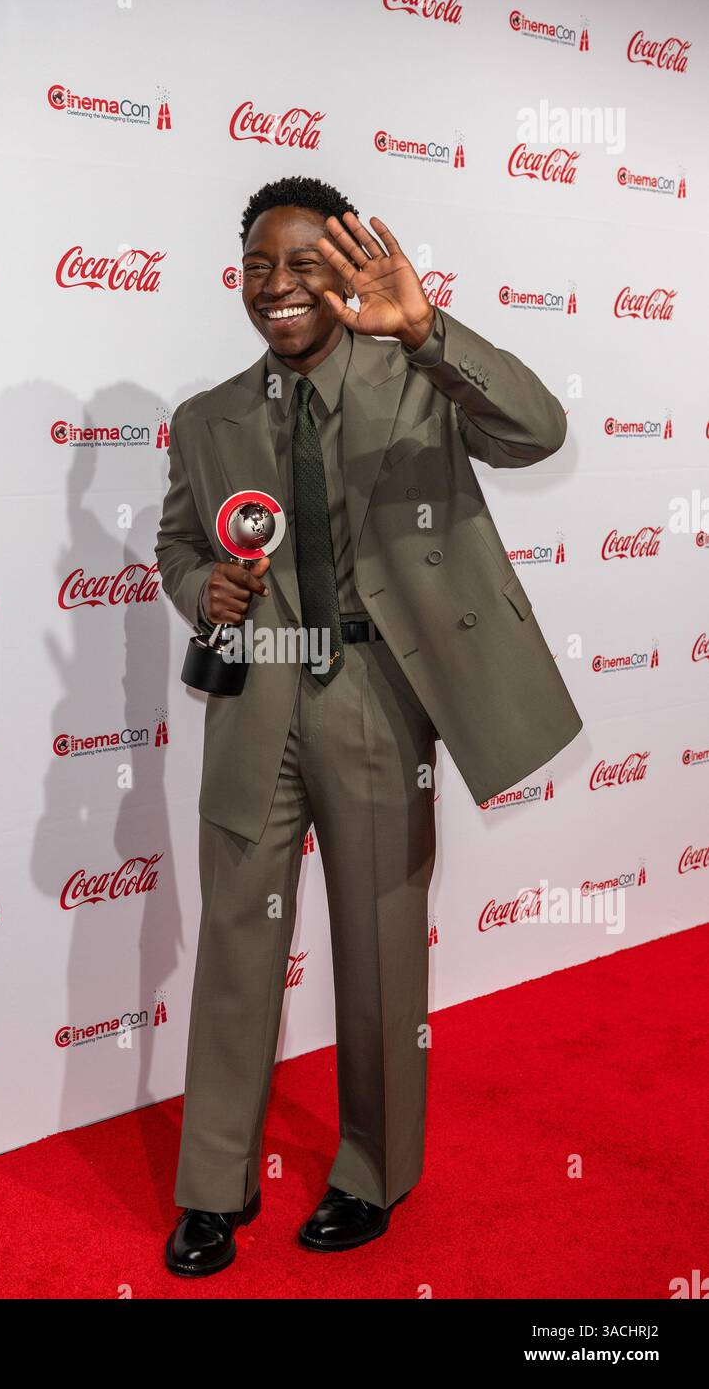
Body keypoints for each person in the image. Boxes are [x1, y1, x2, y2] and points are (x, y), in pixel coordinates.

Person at [155, 175, 582, 1277]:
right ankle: (213, 1187)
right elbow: (176, 542)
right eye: (259, 266)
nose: (278, 287)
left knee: (380, 943)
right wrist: (199, 584)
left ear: (346, 270)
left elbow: (537, 431)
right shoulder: (204, 420)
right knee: (236, 947)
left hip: (377, 697)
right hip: (257, 697)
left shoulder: (414, 376)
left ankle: (368, 1171)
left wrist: (430, 328)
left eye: (304, 263)